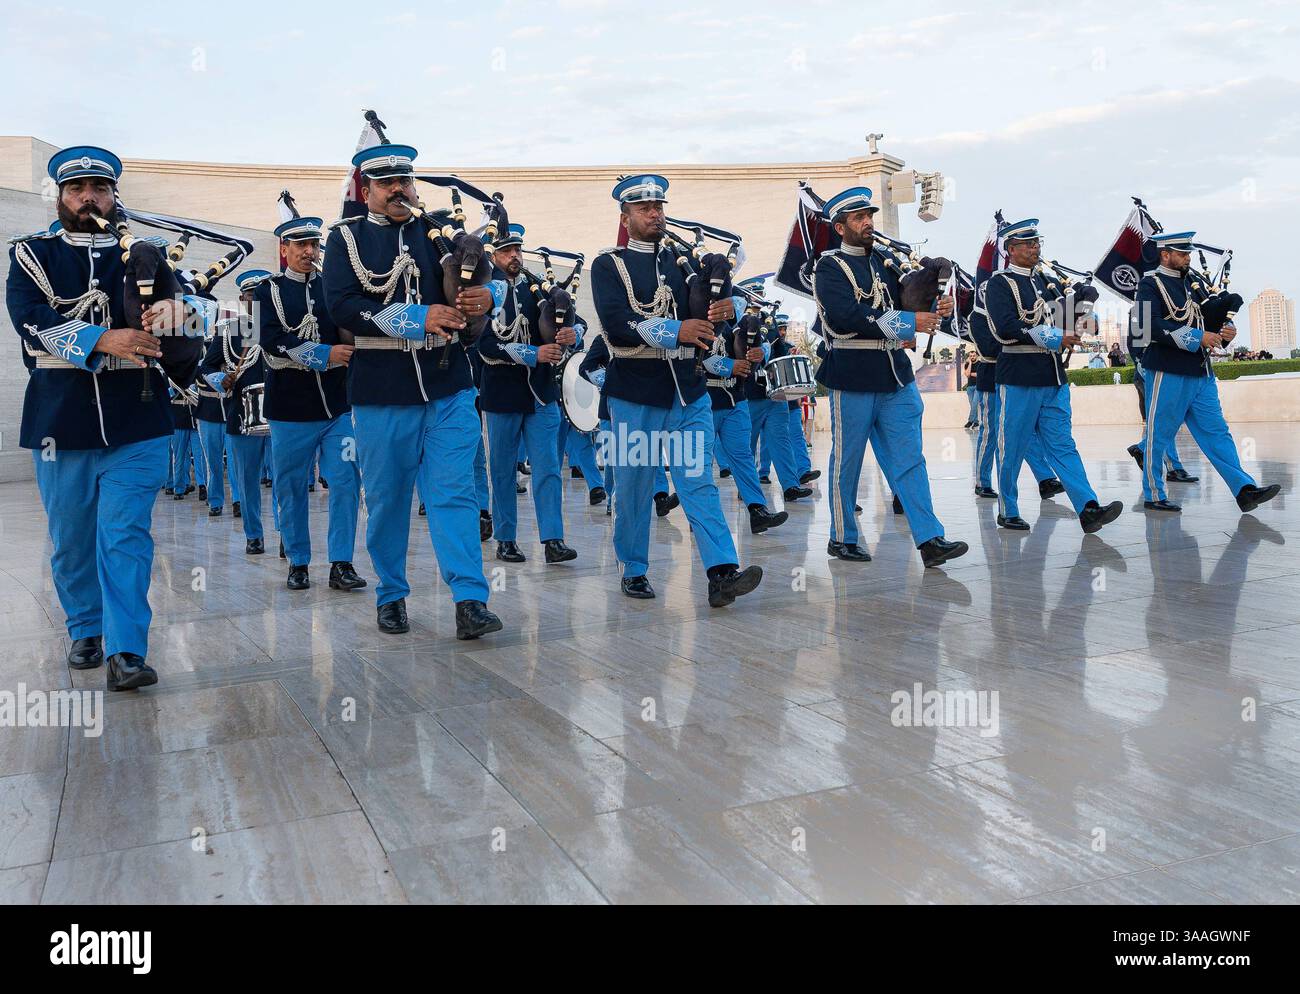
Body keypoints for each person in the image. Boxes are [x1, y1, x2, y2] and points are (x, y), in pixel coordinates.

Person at [6, 145, 204, 690]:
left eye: (99, 188)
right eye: (78, 189)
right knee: (71, 537)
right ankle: (85, 628)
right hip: (60, 421)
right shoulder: (32, 254)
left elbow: (195, 310)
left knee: (125, 534)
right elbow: (30, 322)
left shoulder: (145, 254)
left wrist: (181, 312)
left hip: (135, 416)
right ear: (61, 196)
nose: (89, 197)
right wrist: (101, 337)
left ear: (115, 195)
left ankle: (127, 650)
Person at [322, 140, 502, 640]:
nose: (397, 190)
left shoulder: (439, 232)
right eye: (385, 183)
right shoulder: (344, 239)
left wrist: (489, 293)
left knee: (455, 494)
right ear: (367, 190)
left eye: (404, 180)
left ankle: (469, 600)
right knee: (387, 499)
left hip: (448, 386)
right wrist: (417, 318)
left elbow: (488, 277)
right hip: (381, 392)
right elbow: (341, 306)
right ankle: (392, 593)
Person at [589, 173, 762, 606]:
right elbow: (617, 323)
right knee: (633, 486)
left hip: (688, 392)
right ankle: (633, 566)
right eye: (644, 208)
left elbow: (710, 313)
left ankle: (722, 572)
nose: (655, 214)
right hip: (635, 394)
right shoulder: (609, 264)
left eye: (659, 207)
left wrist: (730, 305)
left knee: (699, 483)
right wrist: (676, 329)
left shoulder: (682, 263)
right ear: (625, 217)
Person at [812, 186, 968, 568]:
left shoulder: (885, 261)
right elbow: (845, 316)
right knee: (847, 462)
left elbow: (907, 305)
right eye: (858, 218)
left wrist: (935, 300)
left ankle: (930, 538)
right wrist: (911, 319)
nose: (868, 222)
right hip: (852, 374)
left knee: (910, 459)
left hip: (896, 375)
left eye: (869, 216)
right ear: (839, 227)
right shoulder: (829, 267)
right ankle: (842, 536)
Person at [984, 218, 1122, 533]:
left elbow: (1071, 316)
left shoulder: (1046, 282)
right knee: (1013, 446)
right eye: (1029, 244)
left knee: (1063, 445)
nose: (1036, 248)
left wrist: (1086, 313)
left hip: (1053, 376)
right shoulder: (1000, 283)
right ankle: (1009, 509)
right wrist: (1055, 336)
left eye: (1037, 242)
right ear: (1012, 249)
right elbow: (1005, 329)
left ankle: (1088, 508)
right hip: (1019, 375)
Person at [254, 206, 365, 592]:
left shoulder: (332, 284)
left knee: (346, 481)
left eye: (313, 243)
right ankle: (298, 560)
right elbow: (268, 338)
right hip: (290, 407)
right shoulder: (266, 291)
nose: (309, 250)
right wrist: (323, 355)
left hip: (338, 405)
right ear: (284, 249)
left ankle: (341, 562)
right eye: (300, 244)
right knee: (291, 486)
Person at [1133, 230, 1279, 514]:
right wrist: (1197, 338)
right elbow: (1147, 326)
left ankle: (1243, 489)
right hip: (1167, 369)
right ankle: (1153, 494)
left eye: (1188, 253)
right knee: (1158, 434)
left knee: (1217, 432)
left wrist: (1226, 333)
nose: (1188, 258)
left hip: (1200, 371)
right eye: (1183, 253)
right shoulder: (1150, 284)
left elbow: (1208, 320)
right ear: (1165, 255)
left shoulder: (1192, 283)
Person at [477, 223, 579, 565]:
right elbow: (484, 344)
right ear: (494, 255)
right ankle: (506, 537)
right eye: (507, 251)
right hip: (502, 392)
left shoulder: (540, 289)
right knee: (503, 470)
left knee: (548, 468)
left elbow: (572, 319)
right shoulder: (484, 290)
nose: (514, 257)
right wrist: (533, 354)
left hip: (540, 392)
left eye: (517, 250)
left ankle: (553, 539)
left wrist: (571, 335)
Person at [198, 270, 273, 555]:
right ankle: (254, 534)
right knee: (247, 479)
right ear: (242, 299)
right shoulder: (229, 331)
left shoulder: (281, 325)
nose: (256, 302)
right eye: (252, 296)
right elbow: (206, 367)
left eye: (262, 296)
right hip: (242, 414)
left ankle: (285, 536)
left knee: (284, 481)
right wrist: (221, 379)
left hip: (282, 413)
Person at [702, 305, 789, 533]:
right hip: (705, 401)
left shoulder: (736, 329)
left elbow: (752, 360)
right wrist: (732, 366)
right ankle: (702, 513)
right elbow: (704, 359)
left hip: (735, 400)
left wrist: (757, 355)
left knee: (743, 457)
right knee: (700, 462)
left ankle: (757, 509)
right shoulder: (700, 324)